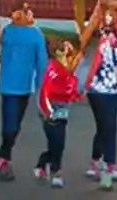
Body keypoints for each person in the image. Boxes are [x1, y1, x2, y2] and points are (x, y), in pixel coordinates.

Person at [0, 0, 48, 181]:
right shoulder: (9, 32)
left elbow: (42, 63)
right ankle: (5, 160)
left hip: (23, 86)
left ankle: (0, 156)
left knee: (14, 124)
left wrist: (42, 87)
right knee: (10, 125)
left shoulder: (35, 34)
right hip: (9, 86)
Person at [77, 0, 117, 190]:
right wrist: (95, 21)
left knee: (104, 127)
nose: (113, 14)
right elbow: (82, 43)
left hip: (113, 88)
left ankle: (95, 161)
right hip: (96, 87)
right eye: (111, 9)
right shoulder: (96, 30)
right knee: (109, 127)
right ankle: (109, 168)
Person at [35, 36, 82, 188]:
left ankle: (46, 164)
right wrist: (48, 113)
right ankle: (54, 170)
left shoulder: (67, 71)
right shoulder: (52, 70)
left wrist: (76, 96)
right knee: (56, 141)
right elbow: (44, 94)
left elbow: (70, 87)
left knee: (57, 143)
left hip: (62, 112)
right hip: (49, 111)